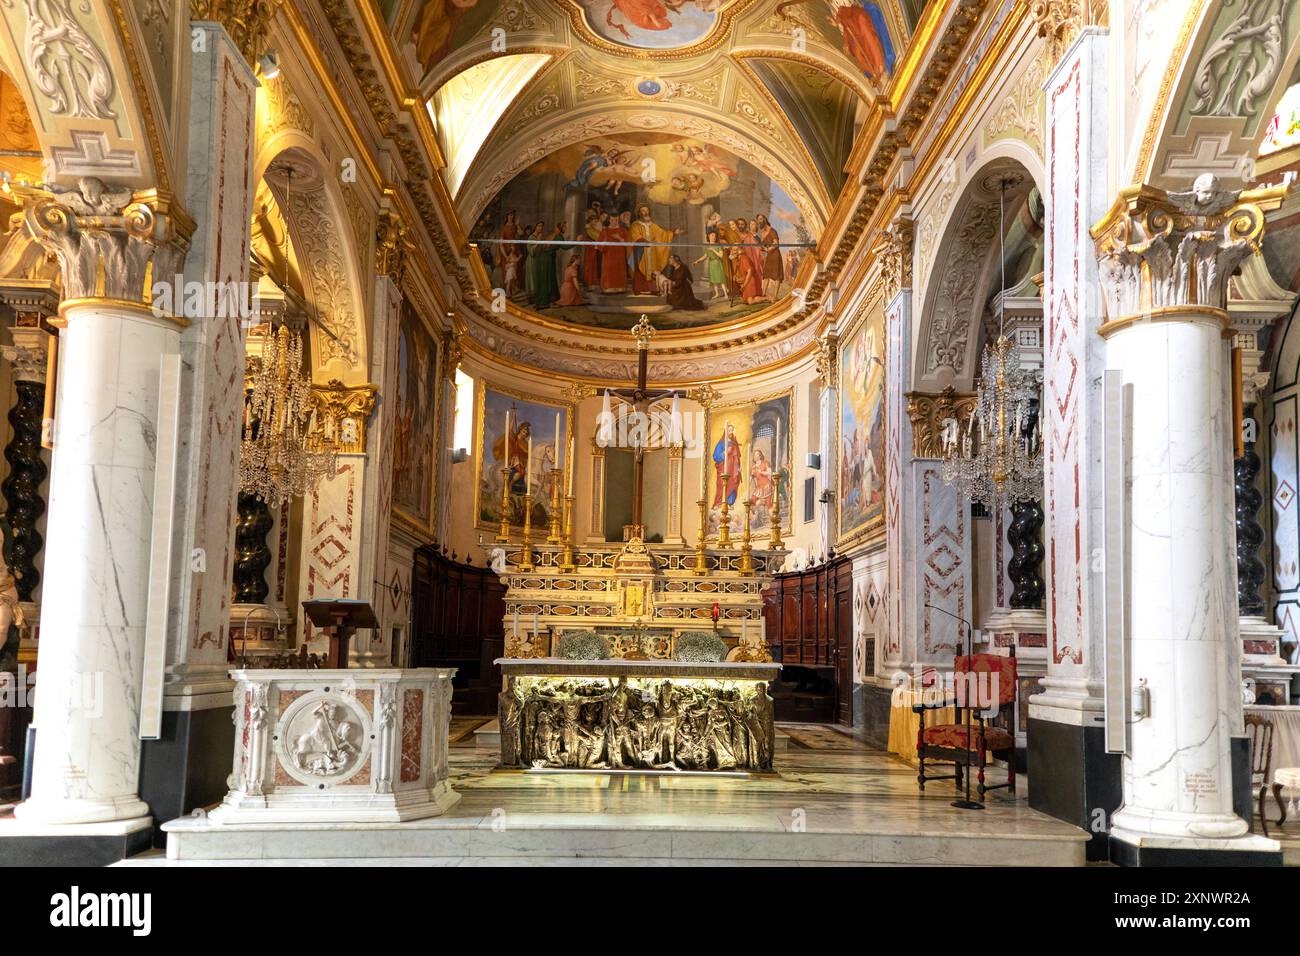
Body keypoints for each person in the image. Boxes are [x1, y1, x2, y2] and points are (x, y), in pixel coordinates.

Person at [628, 204, 681, 295]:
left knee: (653, 270)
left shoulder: (653, 225)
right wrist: (646, 242)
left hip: (652, 253)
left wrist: (673, 233)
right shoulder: (635, 225)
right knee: (640, 271)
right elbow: (635, 236)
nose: (645, 213)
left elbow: (663, 234)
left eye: (647, 210)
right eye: (643, 211)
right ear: (639, 213)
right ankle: (639, 288)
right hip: (640, 252)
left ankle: (653, 289)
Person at [596, 212, 629, 293]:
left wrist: (620, 238)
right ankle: (607, 288)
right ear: (609, 220)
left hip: (619, 257)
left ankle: (620, 288)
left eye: (616, 220)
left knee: (619, 271)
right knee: (608, 272)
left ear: (618, 220)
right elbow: (598, 245)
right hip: (608, 257)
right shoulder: (604, 231)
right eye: (612, 220)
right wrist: (604, 242)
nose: (614, 222)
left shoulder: (623, 230)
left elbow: (628, 243)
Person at [712, 422, 741, 507]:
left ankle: (729, 503)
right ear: (726, 431)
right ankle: (719, 503)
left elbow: (737, 458)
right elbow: (715, 456)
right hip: (723, 468)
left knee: (733, 483)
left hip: (733, 469)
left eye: (732, 430)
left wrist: (738, 467)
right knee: (722, 484)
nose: (731, 432)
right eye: (729, 430)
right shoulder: (721, 443)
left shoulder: (734, 444)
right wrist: (724, 453)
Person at [694, 230, 728, 300]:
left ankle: (725, 294)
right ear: (708, 236)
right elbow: (705, 256)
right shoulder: (707, 246)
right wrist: (697, 261)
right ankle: (717, 294)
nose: (713, 237)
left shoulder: (718, 245)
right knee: (714, 281)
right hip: (711, 264)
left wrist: (713, 250)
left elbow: (721, 256)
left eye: (715, 236)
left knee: (721, 280)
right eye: (712, 235)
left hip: (717, 263)